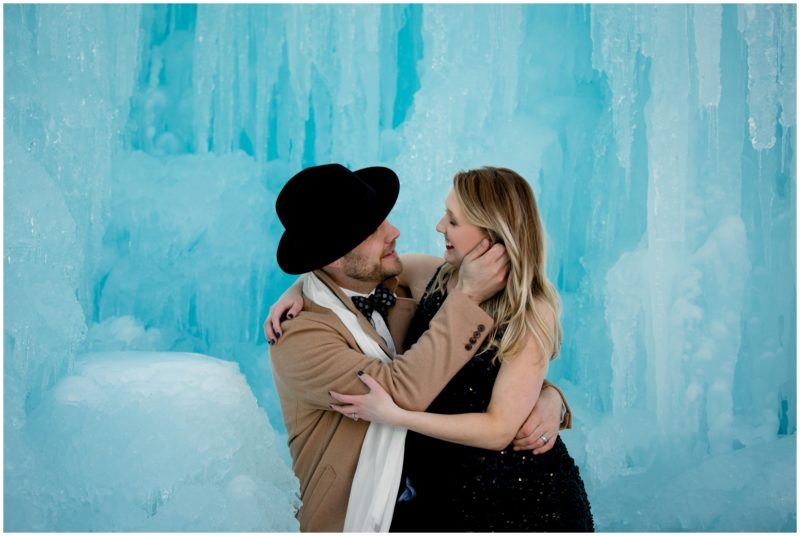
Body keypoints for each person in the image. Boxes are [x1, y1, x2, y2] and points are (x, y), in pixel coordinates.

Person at [266, 163, 572, 532]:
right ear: (333, 256)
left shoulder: (395, 283)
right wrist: (301, 285)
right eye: (373, 228)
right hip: (390, 507)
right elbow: (402, 389)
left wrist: (549, 395)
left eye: (453, 220)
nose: (395, 231)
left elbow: (488, 379)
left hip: (510, 495)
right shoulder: (298, 335)